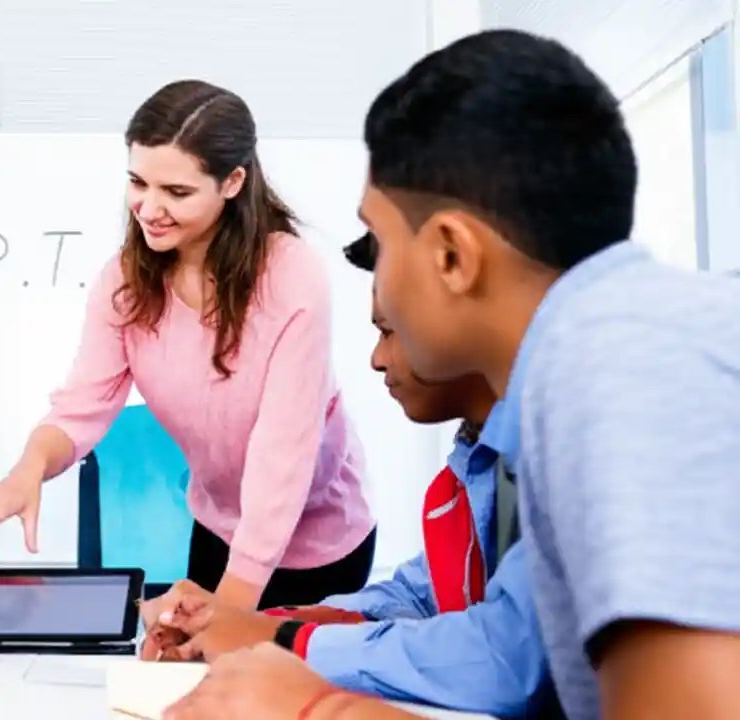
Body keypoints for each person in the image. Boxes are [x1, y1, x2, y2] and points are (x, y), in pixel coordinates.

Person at [170, 28, 740, 720]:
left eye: (380, 243)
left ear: (451, 256)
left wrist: (319, 710)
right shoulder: (592, 364)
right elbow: (512, 635)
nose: (377, 290)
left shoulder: (621, 369)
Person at [0, 79, 375, 610]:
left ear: (232, 182)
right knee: (194, 672)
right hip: (220, 529)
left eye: (177, 193)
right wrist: (27, 470)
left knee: (269, 681)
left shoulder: (292, 276)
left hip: (319, 545)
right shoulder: (124, 282)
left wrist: (228, 609)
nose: (149, 208)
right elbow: (81, 409)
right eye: (138, 182)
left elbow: (283, 455)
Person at [146, 232, 552, 717]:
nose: (376, 359)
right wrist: (253, 623)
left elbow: (504, 660)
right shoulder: (481, 459)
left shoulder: (551, 456)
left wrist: (284, 643)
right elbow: (415, 595)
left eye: (388, 330)